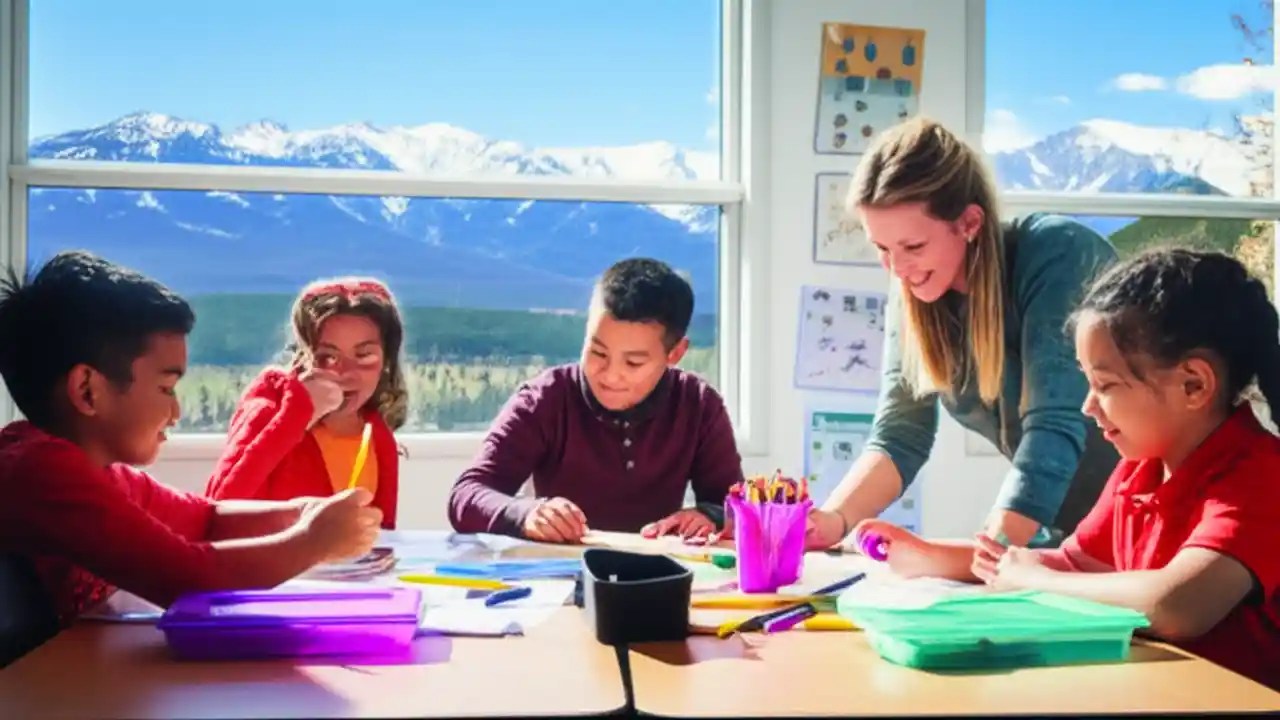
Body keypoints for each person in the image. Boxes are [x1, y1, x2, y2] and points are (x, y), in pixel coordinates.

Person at [864, 249, 1280, 691]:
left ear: (1193, 384)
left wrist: (1033, 581)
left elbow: (1177, 606)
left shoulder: (1261, 476)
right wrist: (933, 558)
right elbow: (1074, 566)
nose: (1088, 406)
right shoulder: (1139, 471)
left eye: (1106, 386)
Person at [0, 251, 379, 638]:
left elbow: (205, 520)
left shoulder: (104, 474)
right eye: (166, 388)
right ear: (87, 390)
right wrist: (312, 541)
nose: (176, 411)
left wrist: (299, 513)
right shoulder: (39, 470)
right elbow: (187, 578)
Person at [807, 117, 1120, 564]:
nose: (896, 268)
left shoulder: (1057, 254)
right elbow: (899, 436)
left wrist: (988, 555)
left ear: (970, 222)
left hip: (1160, 518)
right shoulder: (914, 288)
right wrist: (832, 521)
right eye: (882, 248)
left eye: (913, 246)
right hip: (1073, 533)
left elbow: (1053, 426)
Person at [447, 258, 744, 542]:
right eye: (598, 353)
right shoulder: (546, 398)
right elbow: (466, 495)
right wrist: (525, 514)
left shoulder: (699, 404)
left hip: (661, 578)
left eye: (634, 363)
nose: (610, 376)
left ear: (675, 354)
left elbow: (737, 504)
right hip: (561, 577)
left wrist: (709, 516)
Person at [205, 277, 407, 528]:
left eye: (364, 355)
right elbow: (217, 510)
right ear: (306, 356)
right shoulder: (270, 406)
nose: (346, 371)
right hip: (270, 568)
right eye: (328, 356)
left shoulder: (377, 434)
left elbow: (380, 537)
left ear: (386, 360)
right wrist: (298, 416)